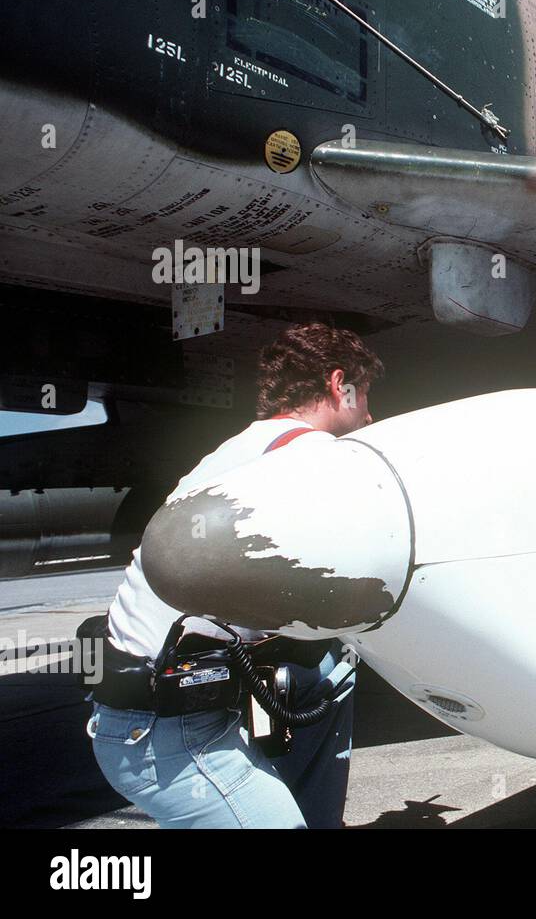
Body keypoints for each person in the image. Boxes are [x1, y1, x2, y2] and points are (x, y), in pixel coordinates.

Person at [86, 323, 384, 828]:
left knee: (333, 671)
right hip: (168, 734)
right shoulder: (315, 456)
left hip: (140, 710)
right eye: (365, 396)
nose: (370, 414)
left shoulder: (238, 450)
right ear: (340, 385)